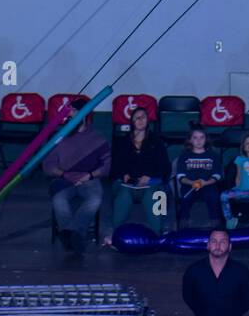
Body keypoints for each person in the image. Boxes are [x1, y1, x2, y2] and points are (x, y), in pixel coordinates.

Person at [42, 98, 111, 253]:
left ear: (84, 114)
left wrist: (90, 175)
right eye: (69, 111)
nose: (69, 115)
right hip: (64, 179)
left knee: (95, 199)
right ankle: (75, 236)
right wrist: (64, 174)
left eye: (73, 111)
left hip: (89, 179)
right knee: (59, 199)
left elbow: (107, 166)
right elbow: (48, 165)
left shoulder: (97, 138)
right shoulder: (59, 137)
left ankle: (71, 234)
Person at [181, 227, 249, 316]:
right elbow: (188, 297)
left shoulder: (242, 272)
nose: (217, 245)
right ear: (208, 245)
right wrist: (205, 313)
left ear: (230, 247)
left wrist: (231, 313)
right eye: (213, 241)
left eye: (223, 241)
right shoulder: (193, 271)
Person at [109, 106, 171, 236]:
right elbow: (115, 165)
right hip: (127, 184)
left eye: (143, 117)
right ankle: (117, 234)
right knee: (123, 194)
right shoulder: (123, 142)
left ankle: (157, 233)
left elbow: (165, 166)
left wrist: (150, 176)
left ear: (148, 120)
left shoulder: (157, 142)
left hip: (151, 183)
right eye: (137, 117)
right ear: (132, 121)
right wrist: (124, 174)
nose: (140, 120)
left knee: (153, 195)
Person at [175, 125, 224, 227]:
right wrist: (191, 182)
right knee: (185, 198)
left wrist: (206, 182)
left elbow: (217, 175)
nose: (199, 140)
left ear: (206, 139)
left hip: (208, 185)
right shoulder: (184, 156)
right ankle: (183, 223)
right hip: (190, 185)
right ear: (190, 140)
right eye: (195, 137)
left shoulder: (212, 155)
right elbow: (180, 177)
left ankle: (215, 224)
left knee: (213, 197)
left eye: (202, 137)